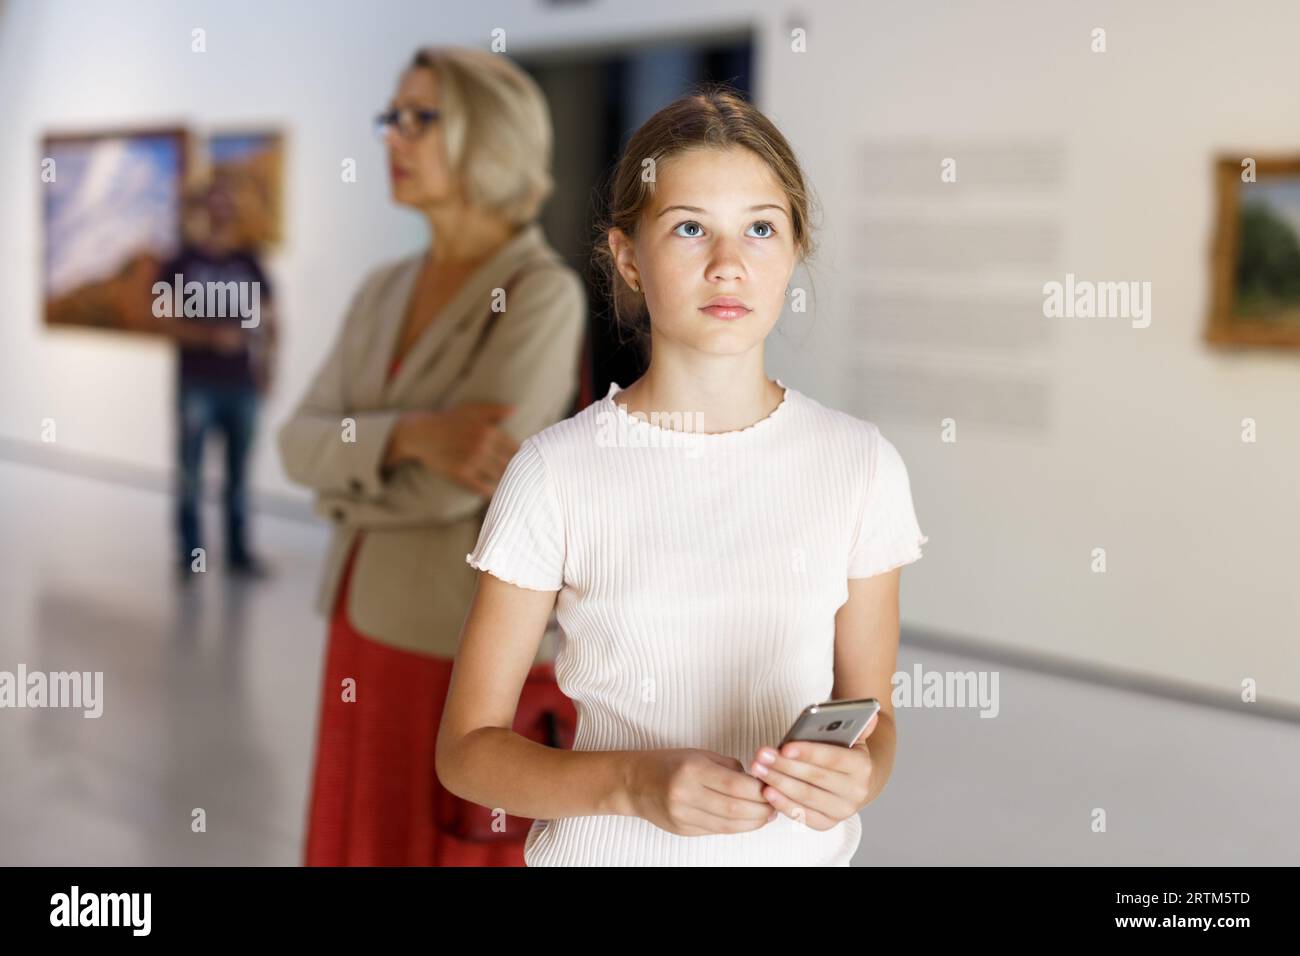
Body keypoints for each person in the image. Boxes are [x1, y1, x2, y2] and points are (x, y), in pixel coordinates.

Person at [437, 85, 930, 866]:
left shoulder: (861, 464)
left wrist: (858, 777)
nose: (729, 265)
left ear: (795, 250)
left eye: (761, 230)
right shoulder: (554, 473)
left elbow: (877, 720)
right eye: (690, 228)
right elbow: (466, 752)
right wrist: (632, 784)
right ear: (628, 257)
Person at [277, 46, 586, 866]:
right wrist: (411, 436)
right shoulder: (384, 288)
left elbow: (461, 489)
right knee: (355, 832)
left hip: (452, 644)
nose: (394, 138)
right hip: (358, 619)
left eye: (422, 118)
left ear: (493, 136)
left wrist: (344, 471)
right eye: (392, 118)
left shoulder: (539, 292)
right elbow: (294, 441)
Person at [160, 175, 277, 580]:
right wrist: (210, 336)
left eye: (228, 204)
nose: (221, 212)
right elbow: (162, 319)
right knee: (191, 474)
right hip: (197, 382)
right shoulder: (182, 261)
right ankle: (190, 556)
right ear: (201, 210)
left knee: (239, 476)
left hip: (241, 385)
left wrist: (267, 369)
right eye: (214, 204)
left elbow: (271, 320)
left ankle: (238, 555)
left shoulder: (249, 261)